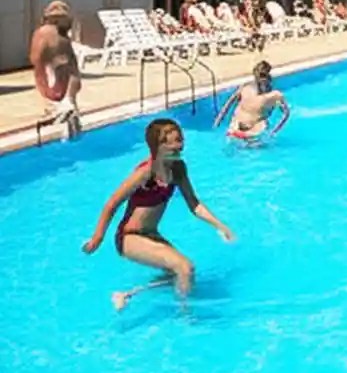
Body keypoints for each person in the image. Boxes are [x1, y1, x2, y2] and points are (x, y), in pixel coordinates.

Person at [82, 118, 235, 311]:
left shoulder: (178, 169)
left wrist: (220, 226)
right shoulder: (146, 173)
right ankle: (186, 317)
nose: (178, 145)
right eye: (170, 142)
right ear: (156, 146)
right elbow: (112, 203)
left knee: (177, 274)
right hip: (130, 237)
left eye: (179, 140)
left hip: (152, 235)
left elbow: (193, 203)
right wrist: (97, 238)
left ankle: (127, 294)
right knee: (185, 267)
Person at [29, 0, 83, 138]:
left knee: (71, 128)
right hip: (57, 88)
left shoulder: (60, 35)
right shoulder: (47, 34)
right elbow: (37, 60)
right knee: (67, 128)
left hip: (61, 90)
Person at [214, 60, 290, 141]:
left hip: (241, 130)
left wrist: (217, 122)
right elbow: (286, 114)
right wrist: (274, 131)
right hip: (246, 131)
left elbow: (227, 105)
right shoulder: (246, 88)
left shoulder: (246, 88)